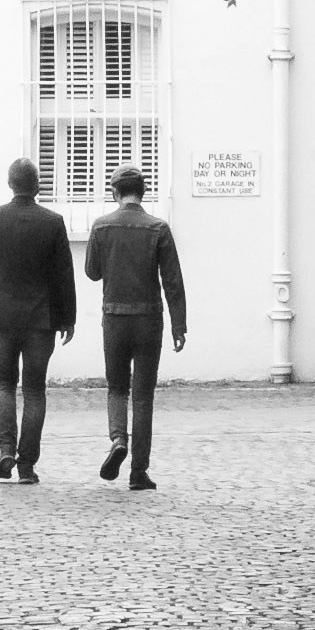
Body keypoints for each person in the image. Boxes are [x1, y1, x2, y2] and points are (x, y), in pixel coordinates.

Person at [0, 157, 77, 482]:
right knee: (34, 389)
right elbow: (64, 274)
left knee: (4, 383)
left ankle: (5, 449)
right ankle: (27, 464)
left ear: (10, 183)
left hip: (2, 317)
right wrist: (68, 317)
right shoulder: (53, 221)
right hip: (41, 319)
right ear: (38, 184)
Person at [84, 165, 187, 488]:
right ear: (143, 192)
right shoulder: (158, 228)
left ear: (115, 192)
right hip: (149, 320)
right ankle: (139, 472)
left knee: (117, 387)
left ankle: (118, 440)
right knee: (143, 396)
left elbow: (92, 272)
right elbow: (172, 281)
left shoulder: (102, 227)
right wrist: (179, 325)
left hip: (114, 318)